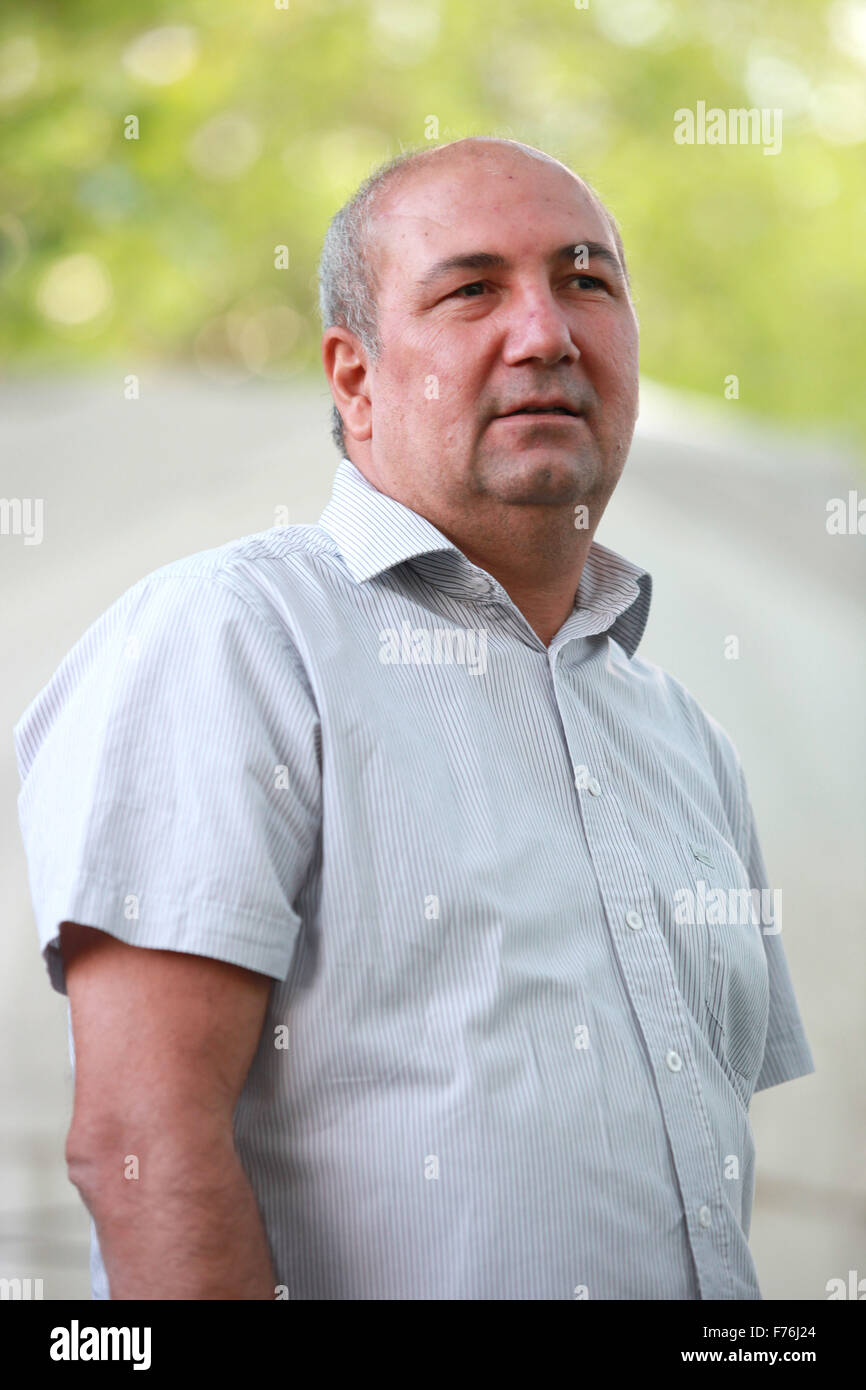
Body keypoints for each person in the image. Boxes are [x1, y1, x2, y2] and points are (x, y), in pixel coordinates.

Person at [13, 136, 814, 1300]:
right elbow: (140, 1149)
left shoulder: (686, 742)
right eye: (470, 289)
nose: (545, 332)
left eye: (586, 280)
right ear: (355, 379)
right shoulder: (234, 640)